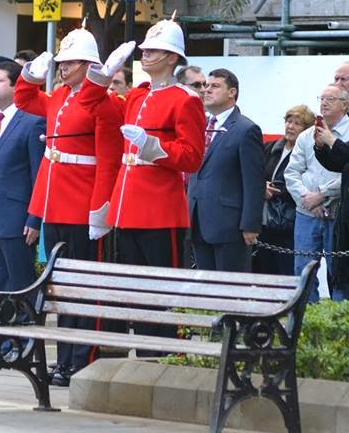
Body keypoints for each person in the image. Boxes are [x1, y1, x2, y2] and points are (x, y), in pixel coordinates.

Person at [77, 18, 205, 346]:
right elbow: (91, 103)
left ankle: (164, 361)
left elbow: (192, 156)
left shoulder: (185, 99)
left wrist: (153, 147)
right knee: (137, 296)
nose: (146, 54)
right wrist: (102, 75)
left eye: (156, 50)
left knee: (163, 296)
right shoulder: (137, 95)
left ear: (173, 58)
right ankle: (144, 360)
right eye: (146, 49)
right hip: (128, 205)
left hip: (160, 209)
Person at [13, 27, 124, 384]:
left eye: (71, 62)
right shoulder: (60, 96)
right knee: (60, 289)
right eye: (61, 62)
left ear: (89, 65)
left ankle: (82, 358)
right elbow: (24, 100)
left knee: (84, 288)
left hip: (83, 205)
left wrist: (100, 210)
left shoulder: (105, 104)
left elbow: (108, 160)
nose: (63, 67)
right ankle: (62, 359)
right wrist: (31, 73)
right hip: (56, 203)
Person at [187, 69, 264, 272]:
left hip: (230, 225)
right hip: (196, 220)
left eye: (215, 86)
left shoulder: (246, 129)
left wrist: (250, 224)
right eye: (206, 86)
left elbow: (254, 182)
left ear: (232, 92)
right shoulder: (199, 125)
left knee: (230, 289)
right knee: (205, 290)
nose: (207, 90)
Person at [0, 61, 46, 291]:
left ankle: (25, 324)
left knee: (20, 285)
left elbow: (38, 173)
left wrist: (34, 218)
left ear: (15, 86)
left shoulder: (32, 123)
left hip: (17, 221)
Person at [285, 83, 349, 302]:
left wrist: (321, 194)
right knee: (303, 271)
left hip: (339, 214)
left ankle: (339, 327)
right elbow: (292, 173)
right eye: (321, 98)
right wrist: (306, 199)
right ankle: (305, 323)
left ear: (345, 104)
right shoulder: (307, 136)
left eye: (330, 99)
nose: (324, 103)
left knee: (339, 273)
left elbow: (346, 173)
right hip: (307, 213)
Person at [254, 105, 314, 275]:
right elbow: (254, 172)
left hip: (289, 221)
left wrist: (275, 191)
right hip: (264, 220)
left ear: (306, 130)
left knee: (286, 270)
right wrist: (260, 186)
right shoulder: (270, 147)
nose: (290, 126)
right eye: (289, 121)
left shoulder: (307, 153)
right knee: (264, 269)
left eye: (297, 123)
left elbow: (304, 182)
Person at [312, 101, 349, 300]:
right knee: (341, 277)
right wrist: (321, 147)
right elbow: (338, 163)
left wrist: (333, 141)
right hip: (345, 221)